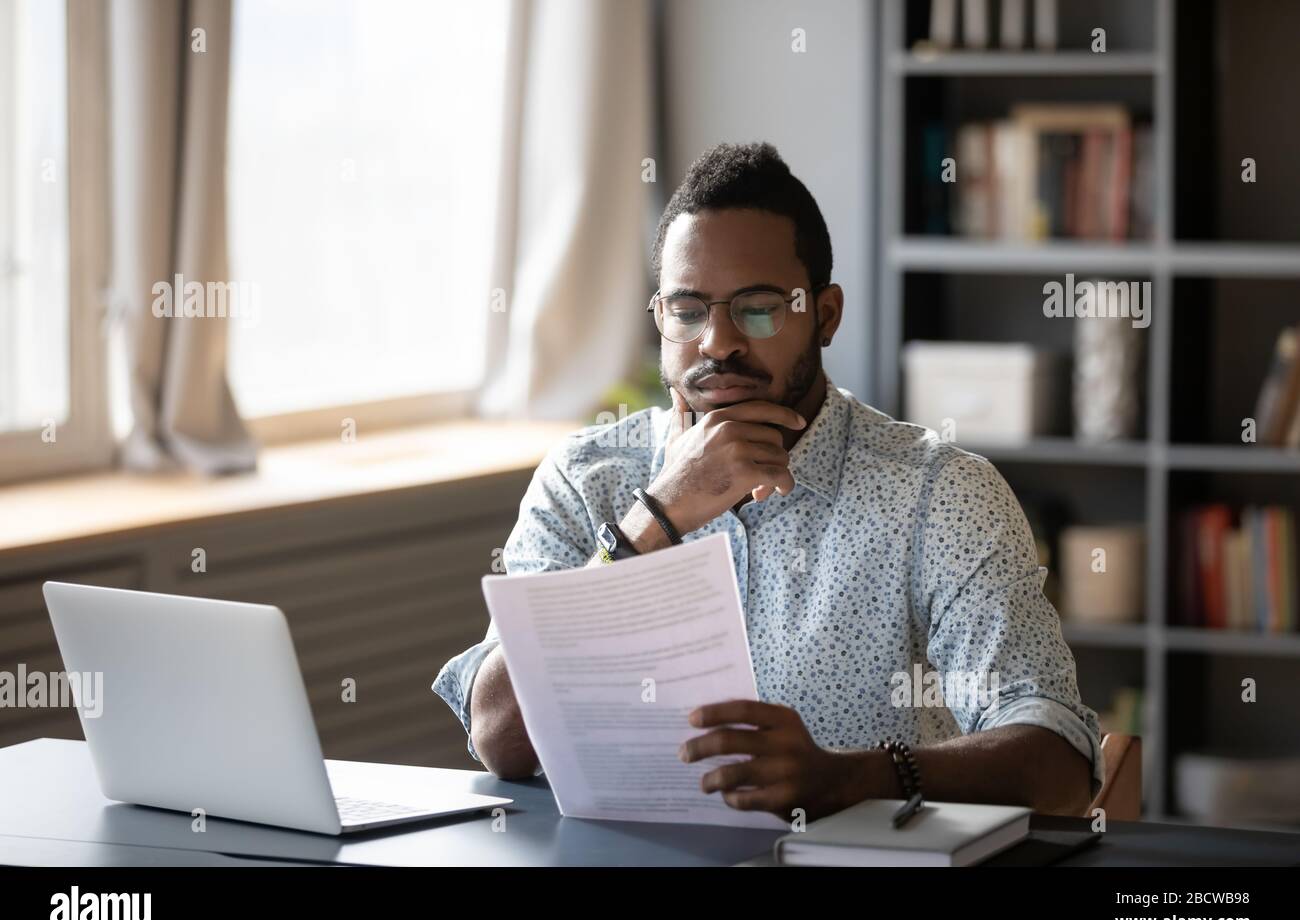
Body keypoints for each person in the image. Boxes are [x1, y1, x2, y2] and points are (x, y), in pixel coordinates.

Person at [434, 142, 1101, 821]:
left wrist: (846, 779)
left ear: (826, 314)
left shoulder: (939, 493)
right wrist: (654, 519)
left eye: (757, 308)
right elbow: (500, 739)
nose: (718, 342)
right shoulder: (584, 482)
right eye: (688, 310)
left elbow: (1059, 764)